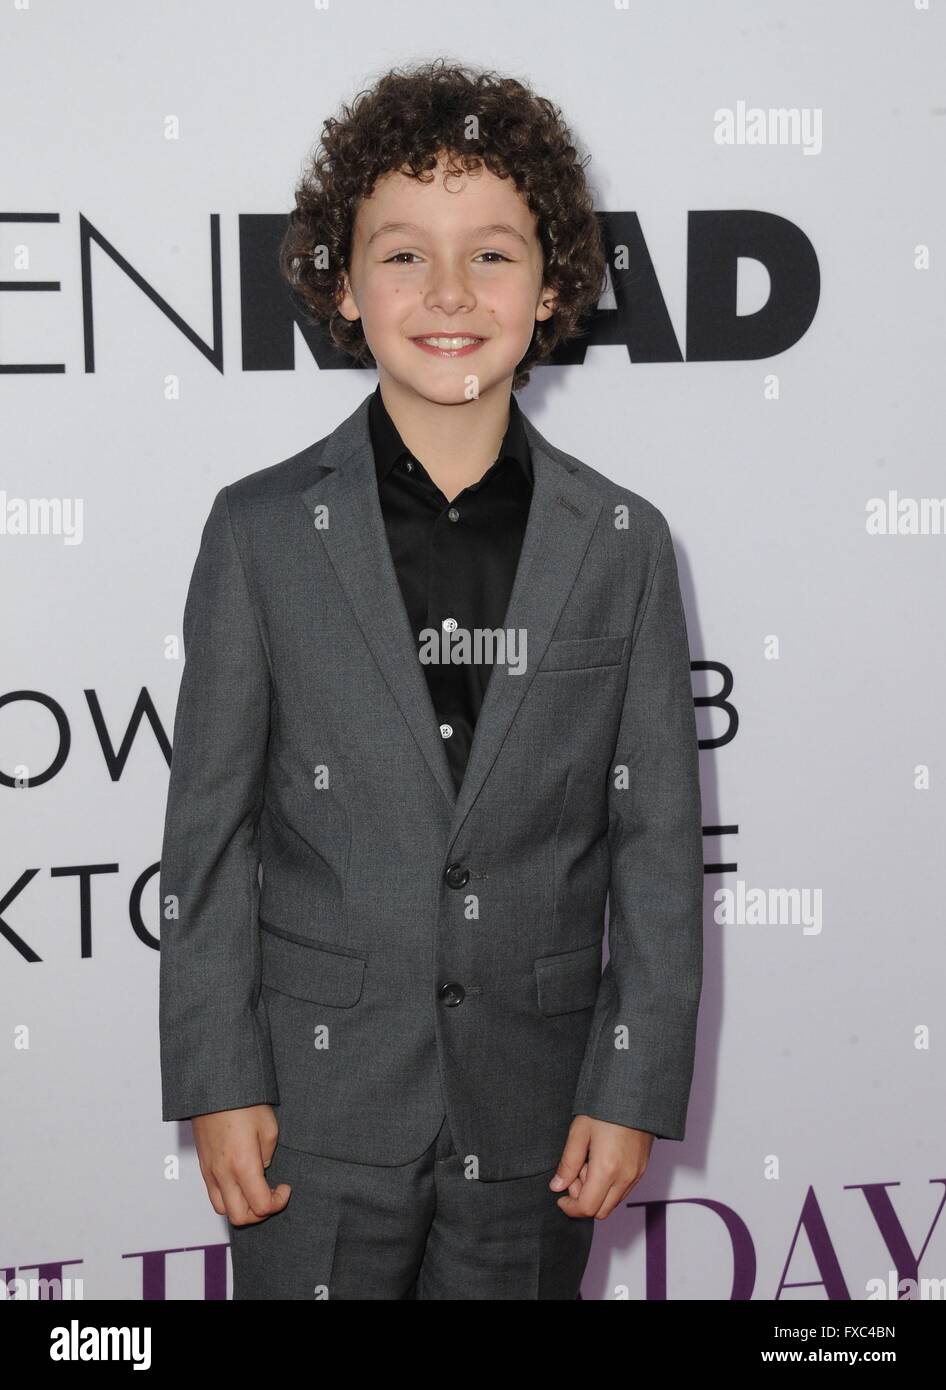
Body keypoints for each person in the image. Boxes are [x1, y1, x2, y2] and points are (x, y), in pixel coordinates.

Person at [158, 58, 704, 1301]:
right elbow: (204, 838)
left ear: (554, 282)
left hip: (537, 1114)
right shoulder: (256, 533)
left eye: (493, 254)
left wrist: (629, 1084)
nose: (449, 292)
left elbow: (657, 847)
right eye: (403, 254)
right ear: (343, 287)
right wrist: (219, 1074)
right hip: (313, 1107)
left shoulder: (621, 541)